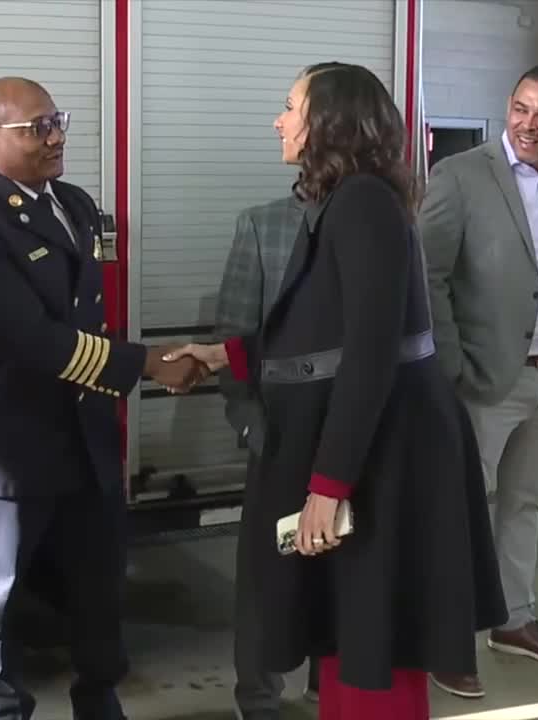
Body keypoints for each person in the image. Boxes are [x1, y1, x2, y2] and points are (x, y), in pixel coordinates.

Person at [166, 62, 505, 720]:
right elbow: (324, 332)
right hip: (373, 450)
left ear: (329, 122)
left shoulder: (363, 202)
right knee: (352, 636)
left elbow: (373, 352)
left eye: (291, 107)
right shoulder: (349, 201)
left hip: (385, 459)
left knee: (373, 643)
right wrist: (223, 352)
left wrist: (328, 488)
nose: (279, 120)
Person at [0, 76, 206, 720]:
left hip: (83, 441)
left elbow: (85, 318)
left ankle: (99, 700)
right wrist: (148, 366)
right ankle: (2, 711)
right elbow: (35, 341)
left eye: (58, 121)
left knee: (98, 590)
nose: (55, 138)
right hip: (8, 449)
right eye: (37, 128)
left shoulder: (75, 205)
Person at [418, 63, 538, 698]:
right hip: (486, 380)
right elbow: (429, 274)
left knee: (525, 506)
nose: (529, 124)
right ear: (508, 106)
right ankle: (444, 639)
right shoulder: (461, 176)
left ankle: (513, 621)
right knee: (460, 515)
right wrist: (454, 366)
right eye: (521, 108)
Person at [214, 195, 319, 719]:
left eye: (290, 109)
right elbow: (235, 332)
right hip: (279, 437)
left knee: (344, 571)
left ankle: (332, 689)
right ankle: (258, 700)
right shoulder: (263, 225)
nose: (281, 122)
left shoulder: (383, 219)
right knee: (268, 573)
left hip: (354, 436)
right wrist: (252, 421)